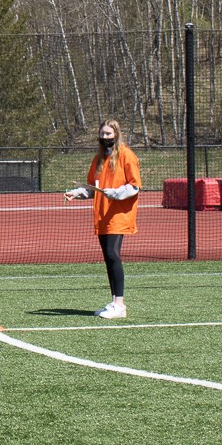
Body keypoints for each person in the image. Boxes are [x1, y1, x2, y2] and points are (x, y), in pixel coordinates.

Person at [66, 119, 141, 319]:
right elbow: (92, 188)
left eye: (109, 134)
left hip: (119, 215)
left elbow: (134, 186)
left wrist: (115, 193)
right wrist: (76, 193)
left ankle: (120, 304)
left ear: (116, 134)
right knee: (109, 258)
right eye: (103, 134)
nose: (105, 137)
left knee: (113, 254)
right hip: (102, 215)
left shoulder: (126, 155)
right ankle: (114, 301)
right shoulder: (98, 159)